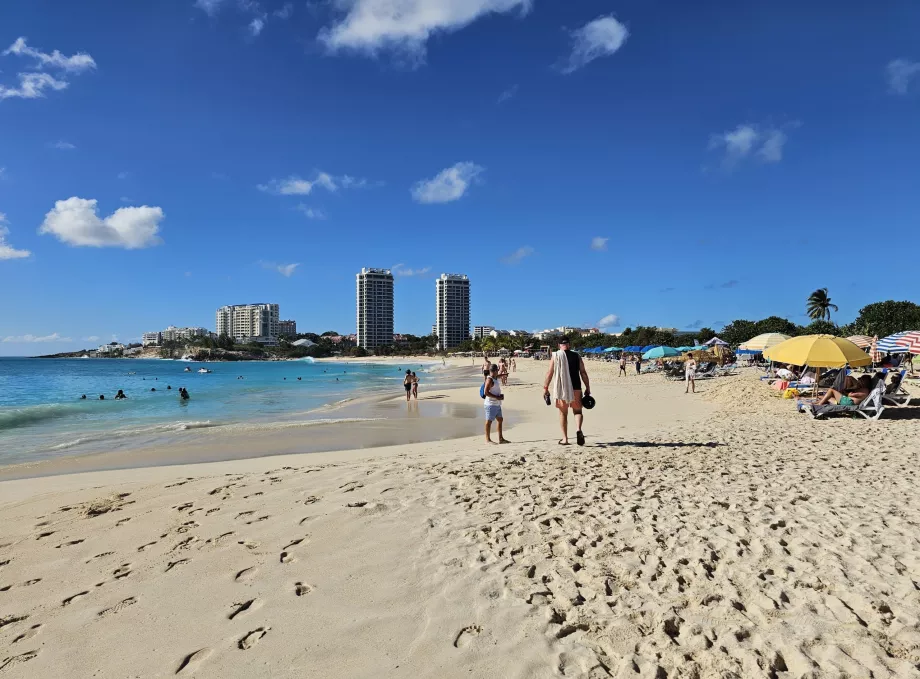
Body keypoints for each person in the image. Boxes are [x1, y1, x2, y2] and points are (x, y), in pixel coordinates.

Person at [543, 336, 591, 446]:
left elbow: (549, 373)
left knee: (563, 413)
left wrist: (545, 388)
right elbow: (583, 373)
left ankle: (565, 439)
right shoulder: (576, 356)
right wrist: (588, 387)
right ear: (569, 344)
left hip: (562, 388)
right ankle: (578, 429)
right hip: (576, 387)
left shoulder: (556, 356)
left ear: (559, 345)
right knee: (577, 411)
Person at [483, 365, 508, 444]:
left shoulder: (494, 377)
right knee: (489, 421)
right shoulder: (489, 380)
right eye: (497, 370)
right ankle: (488, 439)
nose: (498, 372)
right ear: (493, 371)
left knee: (500, 419)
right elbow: (486, 392)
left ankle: (501, 439)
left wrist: (504, 375)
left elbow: (498, 376)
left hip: (497, 404)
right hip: (490, 404)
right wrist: (497, 397)